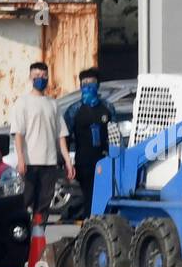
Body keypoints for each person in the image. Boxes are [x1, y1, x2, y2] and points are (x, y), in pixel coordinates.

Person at [8, 62, 71, 220]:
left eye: (43, 76)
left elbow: (61, 135)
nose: (40, 79)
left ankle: (38, 239)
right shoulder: (22, 103)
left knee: (43, 206)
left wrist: (68, 161)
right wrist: (21, 159)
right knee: (25, 202)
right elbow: (18, 134)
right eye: (36, 76)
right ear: (30, 77)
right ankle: (23, 239)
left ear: (48, 78)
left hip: (49, 163)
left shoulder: (53, 104)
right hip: (30, 163)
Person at [62, 67, 117, 217]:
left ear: (98, 85)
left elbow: (115, 134)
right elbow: (64, 138)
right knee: (88, 196)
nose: (88, 86)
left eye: (91, 83)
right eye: (84, 83)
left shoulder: (107, 108)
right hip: (83, 162)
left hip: (105, 160)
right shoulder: (74, 110)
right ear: (80, 86)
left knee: (105, 196)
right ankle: (88, 224)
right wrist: (66, 163)